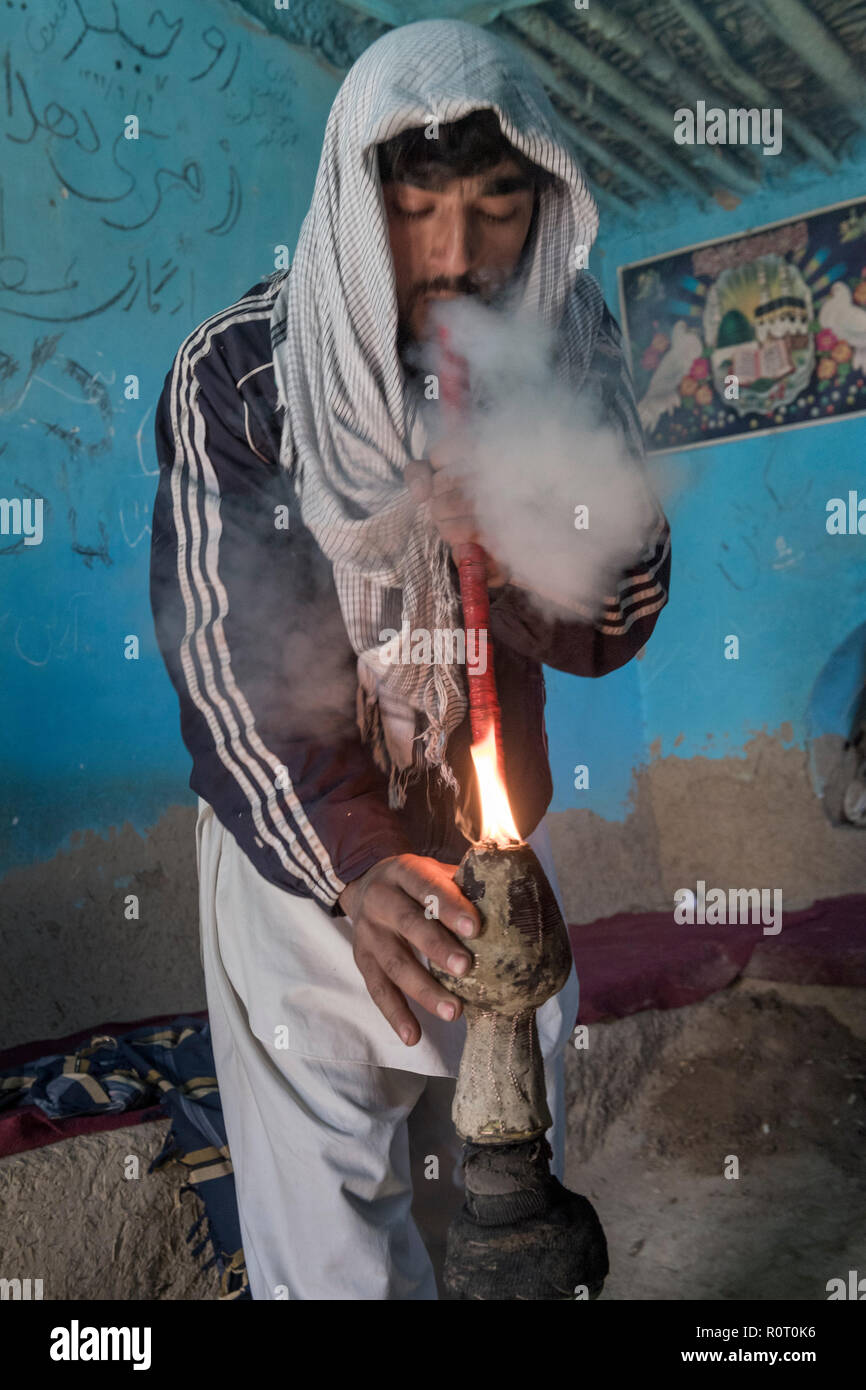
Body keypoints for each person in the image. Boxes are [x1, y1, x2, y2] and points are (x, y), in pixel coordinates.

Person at [149, 18, 671, 1301]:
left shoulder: (574, 345)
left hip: (497, 837)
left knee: (503, 1182)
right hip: (308, 855)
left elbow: (619, 616)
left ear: (543, 204)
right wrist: (356, 865)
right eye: (415, 208)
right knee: (331, 1241)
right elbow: (224, 667)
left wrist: (527, 534)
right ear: (349, 196)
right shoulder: (237, 374)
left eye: (497, 209)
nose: (452, 257)